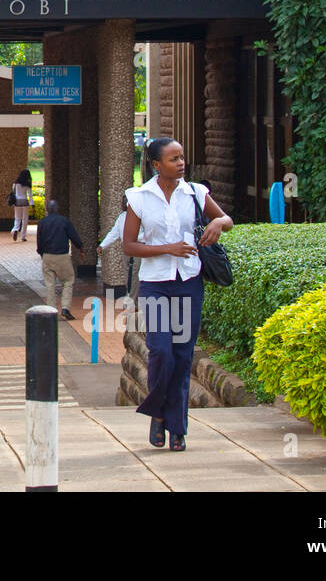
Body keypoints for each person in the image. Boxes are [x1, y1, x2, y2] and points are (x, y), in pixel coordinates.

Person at [123, 137, 233, 453]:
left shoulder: (196, 192)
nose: (181, 163)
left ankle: (176, 427)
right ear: (156, 165)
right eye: (173, 159)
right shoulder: (139, 197)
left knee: (183, 356)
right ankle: (158, 411)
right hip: (156, 285)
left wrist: (216, 223)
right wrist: (166, 249)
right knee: (160, 352)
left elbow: (227, 220)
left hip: (188, 282)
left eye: (182, 157)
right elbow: (129, 245)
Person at [36, 201, 85, 319]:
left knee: (49, 284)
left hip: (47, 255)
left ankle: (51, 310)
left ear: (47, 209)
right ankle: (65, 308)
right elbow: (74, 236)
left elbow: (39, 241)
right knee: (68, 280)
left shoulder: (42, 222)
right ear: (57, 208)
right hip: (62, 256)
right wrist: (81, 248)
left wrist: (42, 253)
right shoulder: (64, 221)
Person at [99, 197, 132, 298]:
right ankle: (130, 294)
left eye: (124, 203)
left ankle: (134, 297)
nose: (122, 205)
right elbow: (114, 233)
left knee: (135, 275)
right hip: (126, 249)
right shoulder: (121, 217)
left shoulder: (139, 216)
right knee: (127, 273)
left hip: (138, 248)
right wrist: (102, 245)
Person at [11, 170, 33, 241]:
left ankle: (15, 229)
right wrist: (32, 204)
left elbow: (13, 191)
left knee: (17, 218)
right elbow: (30, 195)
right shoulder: (28, 183)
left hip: (17, 201)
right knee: (25, 219)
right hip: (24, 201)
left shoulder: (16, 183)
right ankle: (23, 236)